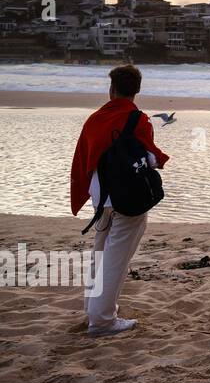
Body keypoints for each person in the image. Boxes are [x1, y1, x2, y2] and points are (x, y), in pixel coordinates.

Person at [70, 65, 169, 336]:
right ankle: (102, 320)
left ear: (112, 89)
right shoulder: (138, 119)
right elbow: (151, 156)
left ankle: (93, 310)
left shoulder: (94, 119)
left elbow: (83, 159)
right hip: (128, 197)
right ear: (136, 91)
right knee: (116, 258)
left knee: (99, 254)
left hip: (100, 196)